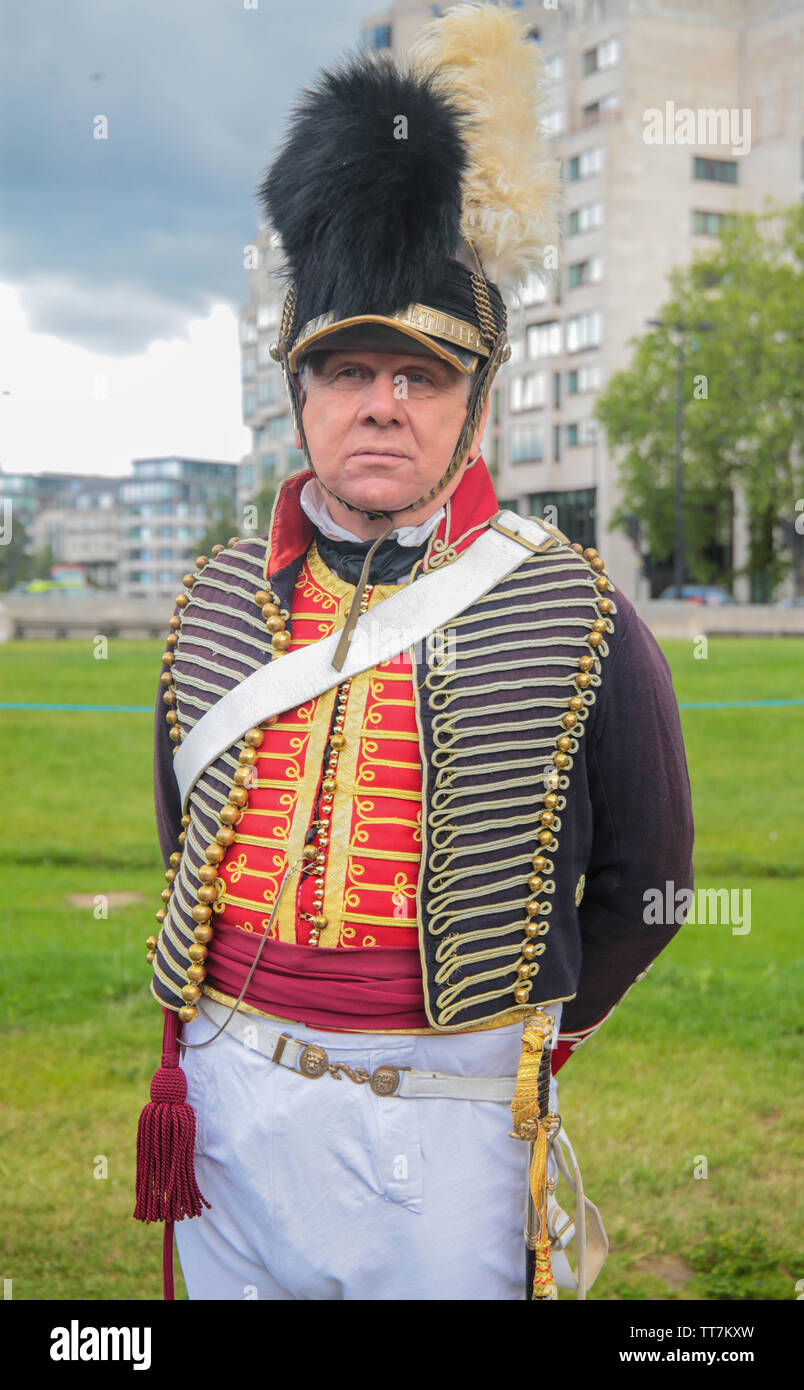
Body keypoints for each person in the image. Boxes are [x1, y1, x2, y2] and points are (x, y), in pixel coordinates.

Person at [134, 3, 694, 1302]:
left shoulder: (575, 611)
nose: (381, 399)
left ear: (474, 401)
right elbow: (187, 838)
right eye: (348, 369)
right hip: (228, 1091)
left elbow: (651, 884)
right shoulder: (214, 602)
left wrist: (530, 1048)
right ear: (300, 396)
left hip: (447, 1116)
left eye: (421, 373)